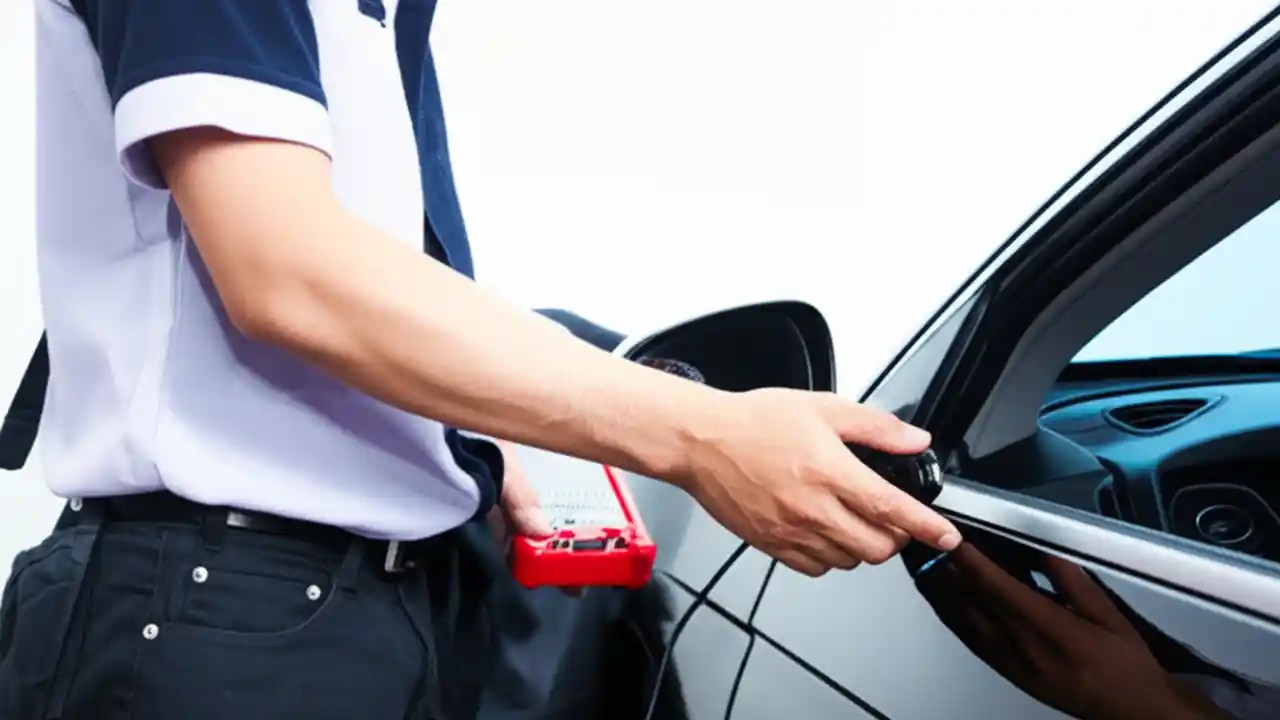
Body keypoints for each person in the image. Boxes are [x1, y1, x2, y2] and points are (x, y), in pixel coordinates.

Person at [0, 1, 961, 718]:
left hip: (359, 609)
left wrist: (452, 446)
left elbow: (366, 280)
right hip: (221, 613)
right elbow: (283, 269)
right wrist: (705, 435)